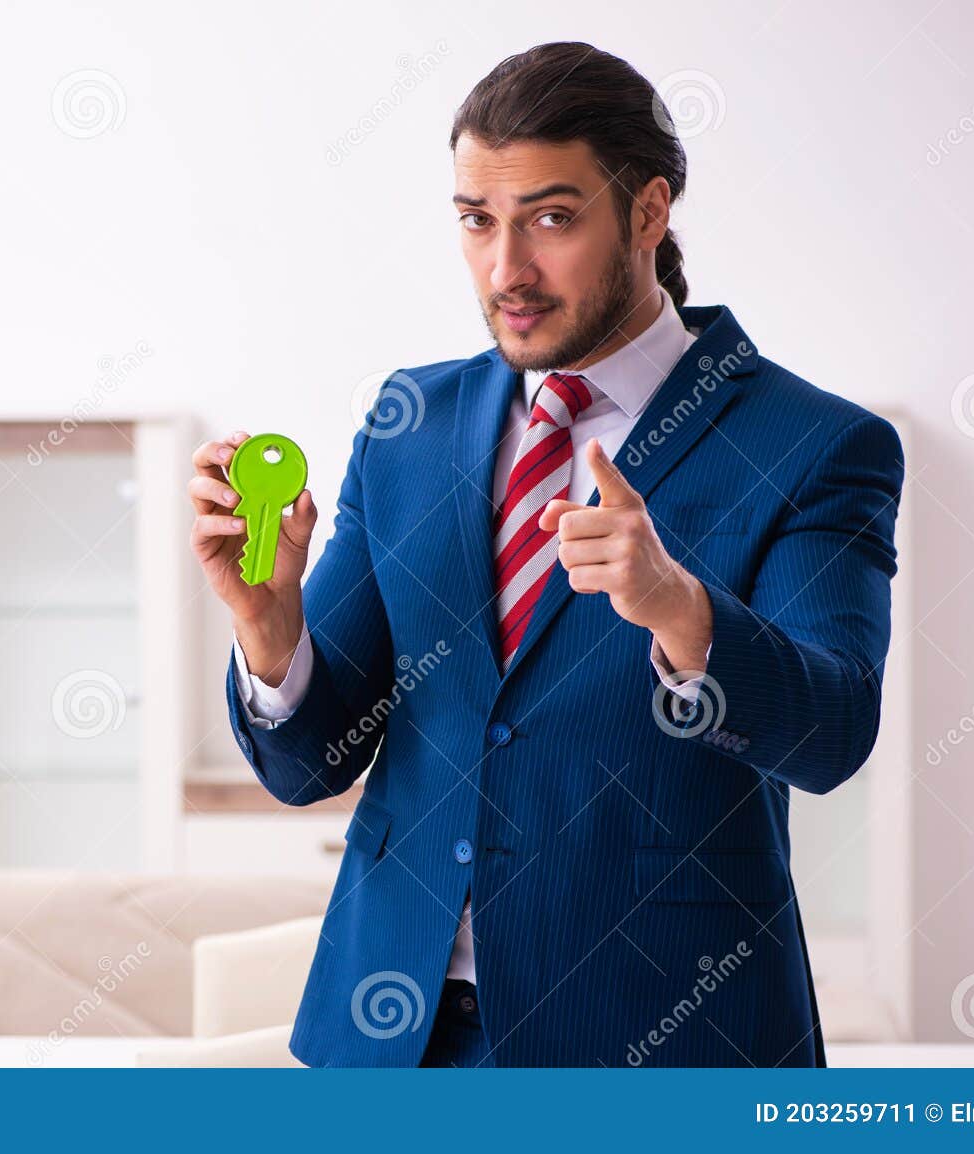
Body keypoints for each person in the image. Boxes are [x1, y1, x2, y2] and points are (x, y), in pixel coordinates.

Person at [187, 41, 904, 1067]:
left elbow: (833, 731)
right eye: (477, 220)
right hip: (395, 1041)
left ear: (648, 213)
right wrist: (268, 626)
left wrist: (678, 609)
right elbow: (313, 764)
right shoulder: (411, 421)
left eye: (552, 219)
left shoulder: (812, 443)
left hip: (660, 1046)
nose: (505, 270)